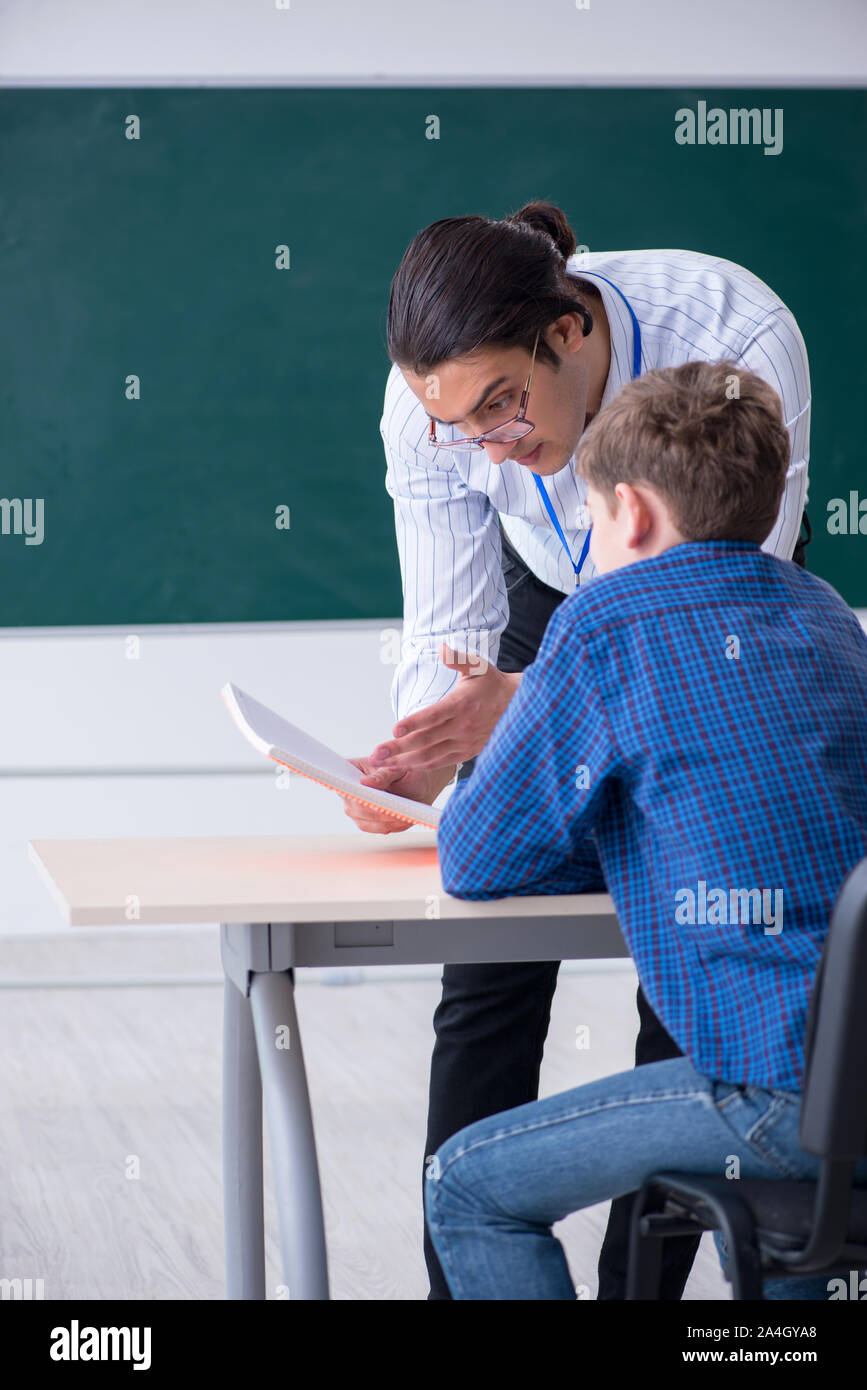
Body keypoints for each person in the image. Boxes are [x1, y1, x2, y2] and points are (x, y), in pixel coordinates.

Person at [340, 201, 813, 1299]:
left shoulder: (736, 345)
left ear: (569, 331)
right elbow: (446, 634)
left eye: (504, 408)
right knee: (490, 966)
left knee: (689, 927)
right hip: (537, 597)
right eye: (457, 425)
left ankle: (638, 1297)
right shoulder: (440, 407)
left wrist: (541, 707)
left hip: (711, 585)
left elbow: (695, 620)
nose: (488, 444)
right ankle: (472, 1284)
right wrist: (423, 748)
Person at [421, 357, 867, 1300]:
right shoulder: (826, 614)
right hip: (850, 1089)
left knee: (467, 1185)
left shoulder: (603, 619)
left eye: (587, 522)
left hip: (771, 1086)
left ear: (628, 511)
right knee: (805, 1244)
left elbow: (475, 857)